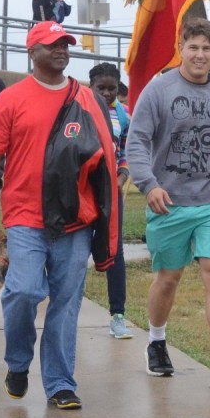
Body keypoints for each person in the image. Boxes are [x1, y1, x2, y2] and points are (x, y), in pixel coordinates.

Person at [0, 21, 119, 410]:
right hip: (25, 216)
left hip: (75, 218)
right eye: (52, 44)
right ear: (32, 52)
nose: (61, 50)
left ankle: (60, 383)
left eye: (65, 44)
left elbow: (105, 158)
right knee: (23, 291)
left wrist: (106, 217)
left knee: (66, 302)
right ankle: (18, 362)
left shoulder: (87, 99)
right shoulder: (10, 98)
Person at [125, 17, 210, 393]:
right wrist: (148, 185)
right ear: (180, 48)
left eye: (207, 48)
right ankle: (156, 340)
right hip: (169, 202)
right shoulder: (159, 90)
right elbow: (136, 141)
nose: (200, 55)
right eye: (193, 47)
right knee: (168, 278)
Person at [89, 62, 133, 341]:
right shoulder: (78, 109)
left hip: (112, 192)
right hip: (82, 192)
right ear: (90, 86)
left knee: (115, 252)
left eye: (112, 89)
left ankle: (118, 315)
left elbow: (126, 150)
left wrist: (123, 174)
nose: (106, 94)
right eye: (100, 88)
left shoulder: (124, 115)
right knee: (75, 251)